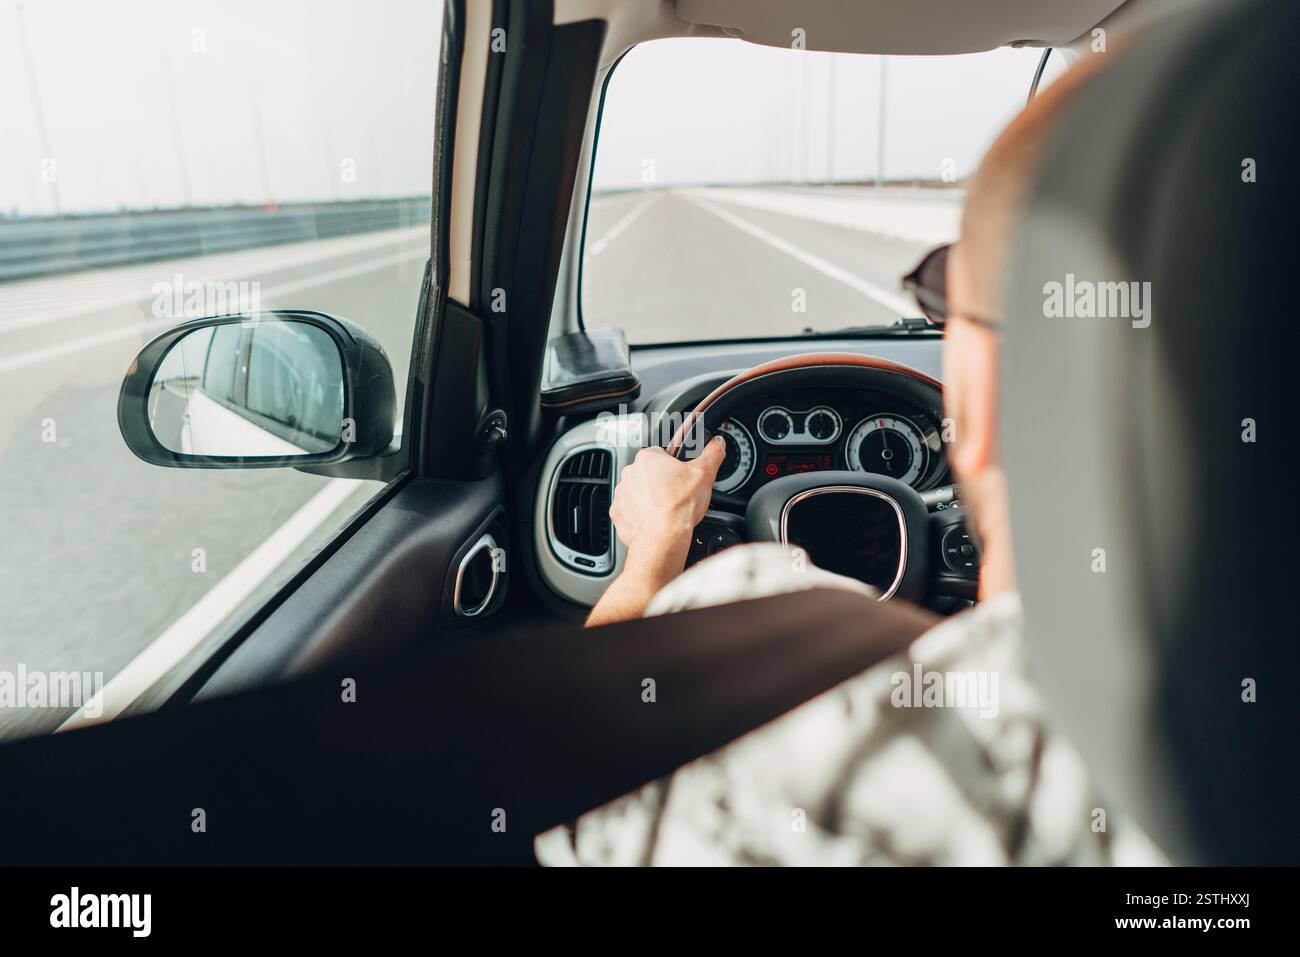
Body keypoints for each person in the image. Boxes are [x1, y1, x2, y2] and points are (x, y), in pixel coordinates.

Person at [536, 52, 1162, 866]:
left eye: (943, 301)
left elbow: (564, 784)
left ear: (979, 391)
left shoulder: (745, 633)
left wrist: (650, 560)